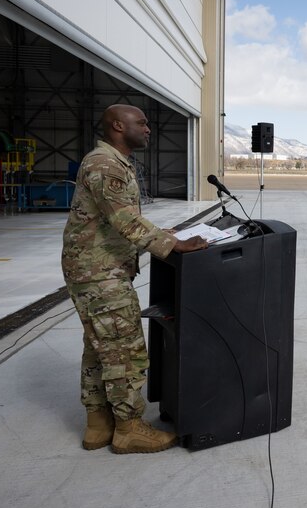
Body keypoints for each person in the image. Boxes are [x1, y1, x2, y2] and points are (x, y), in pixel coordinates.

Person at [62, 104, 207, 454]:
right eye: (141, 123)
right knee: (125, 351)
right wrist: (171, 244)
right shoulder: (105, 164)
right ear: (116, 125)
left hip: (95, 269)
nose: (148, 129)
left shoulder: (111, 161)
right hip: (100, 273)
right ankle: (129, 429)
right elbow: (122, 217)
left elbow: (115, 218)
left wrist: (163, 232)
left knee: (100, 350)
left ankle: (99, 425)